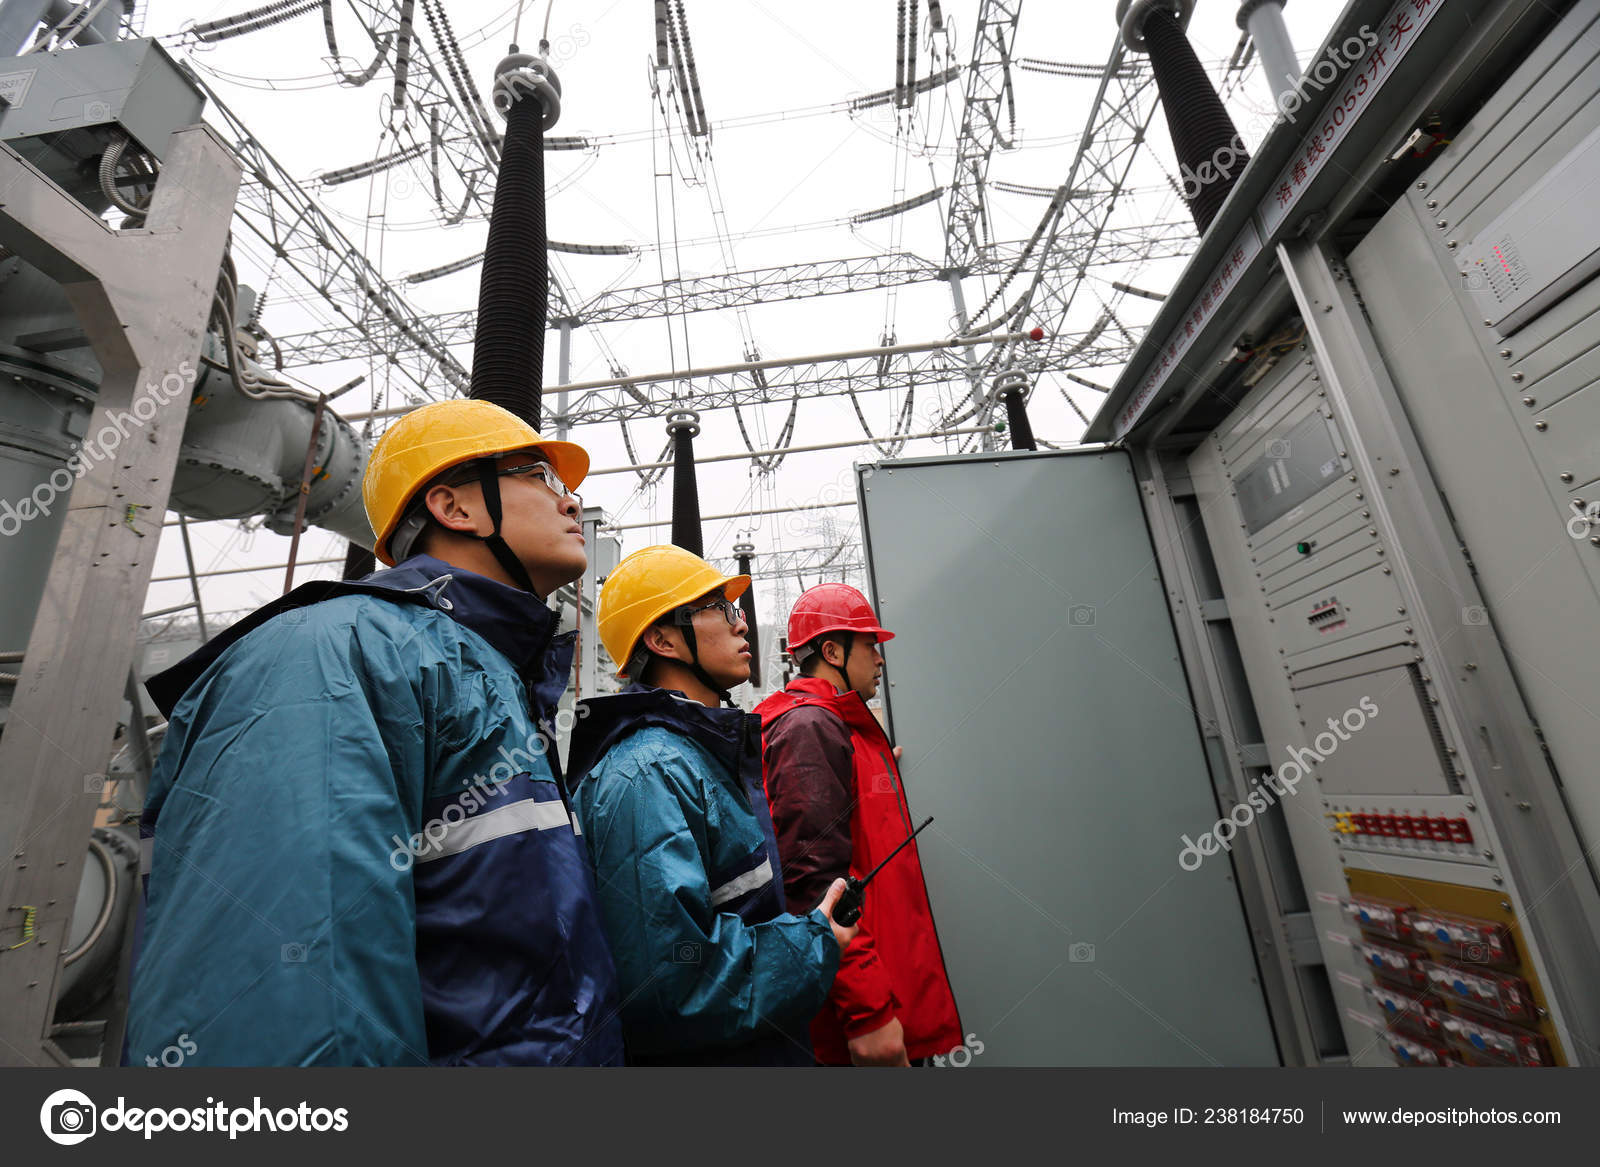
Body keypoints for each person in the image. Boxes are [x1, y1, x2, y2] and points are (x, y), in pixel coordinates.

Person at [126, 399, 624, 1066]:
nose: (571, 502)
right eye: (540, 476)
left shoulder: (488, 675)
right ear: (455, 508)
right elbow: (288, 1002)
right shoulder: (333, 653)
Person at [567, 544, 856, 1064]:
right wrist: (813, 943)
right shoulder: (647, 773)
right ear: (663, 640)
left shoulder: (696, 756)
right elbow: (674, 981)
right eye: (721, 609)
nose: (742, 624)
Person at [755, 583, 962, 1066]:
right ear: (833, 652)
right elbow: (817, 884)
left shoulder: (834, 726)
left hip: (881, 998)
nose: (880, 658)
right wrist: (869, 1016)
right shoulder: (810, 728)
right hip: (860, 1025)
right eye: (870, 645)